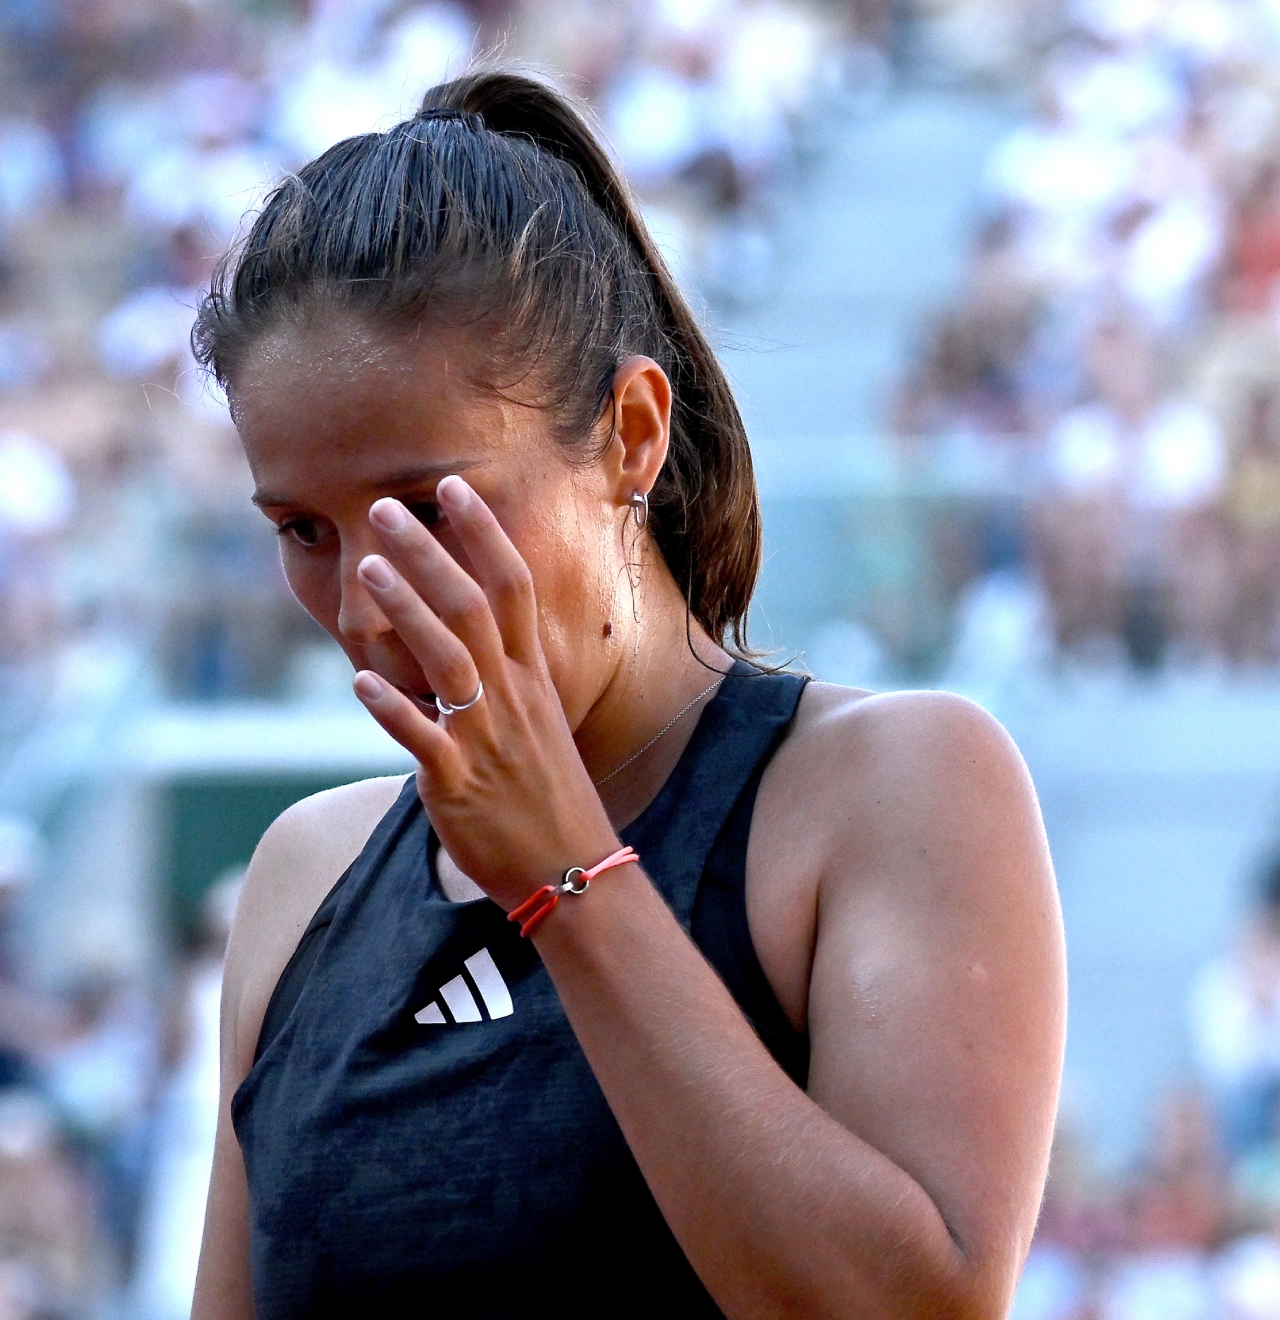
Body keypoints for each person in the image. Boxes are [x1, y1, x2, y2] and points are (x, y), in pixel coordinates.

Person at [189, 72, 1065, 1318]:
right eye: (302, 530)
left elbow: (911, 1308)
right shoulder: (308, 876)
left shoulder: (888, 785)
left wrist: (565, 874)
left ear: (632, 433)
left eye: (430, 508)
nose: (370, 602)